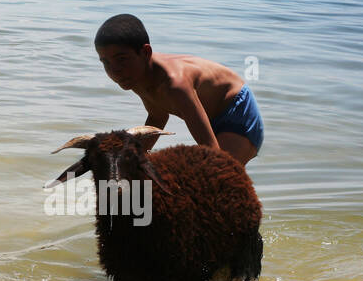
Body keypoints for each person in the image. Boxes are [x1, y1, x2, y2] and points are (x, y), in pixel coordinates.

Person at [94, 13, 263, 166]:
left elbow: (212, 150)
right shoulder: (135, 75)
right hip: (212, 114)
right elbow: (158, 116)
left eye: (121, 59)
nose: (114, 70)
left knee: (217, 173)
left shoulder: (175, 85)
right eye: (105, 62)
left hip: (238, 113)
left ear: (145, 52)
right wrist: (135, 157)